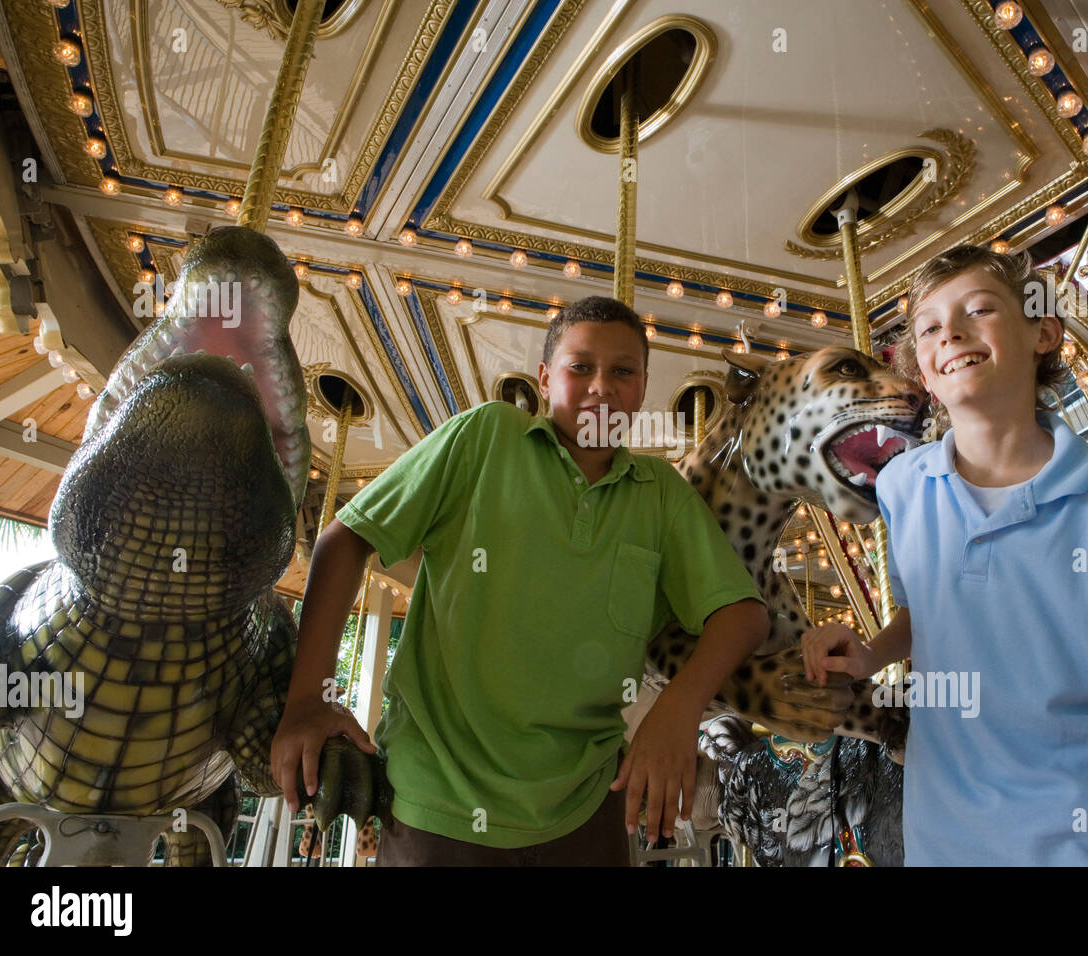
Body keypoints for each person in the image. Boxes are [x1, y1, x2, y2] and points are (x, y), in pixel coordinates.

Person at [270, 295, 768, 865]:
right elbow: (347, 536)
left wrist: (676, 713)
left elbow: (742, 613)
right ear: (544, 378)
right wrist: (307, 698)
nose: (601, 386)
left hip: (585, 804)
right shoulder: (486, 437)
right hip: (439, 799)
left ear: (643, 387)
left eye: (622, 371)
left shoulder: (658, 493)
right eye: (580, 367)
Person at [802, 244, 1088, 866]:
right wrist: (871, 651)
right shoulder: (901, 486)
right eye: (928, 327)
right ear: (923, 370)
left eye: (978, 310)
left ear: (1042, 333)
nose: (950, 332)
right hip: (949, 842)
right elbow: (930, 613)